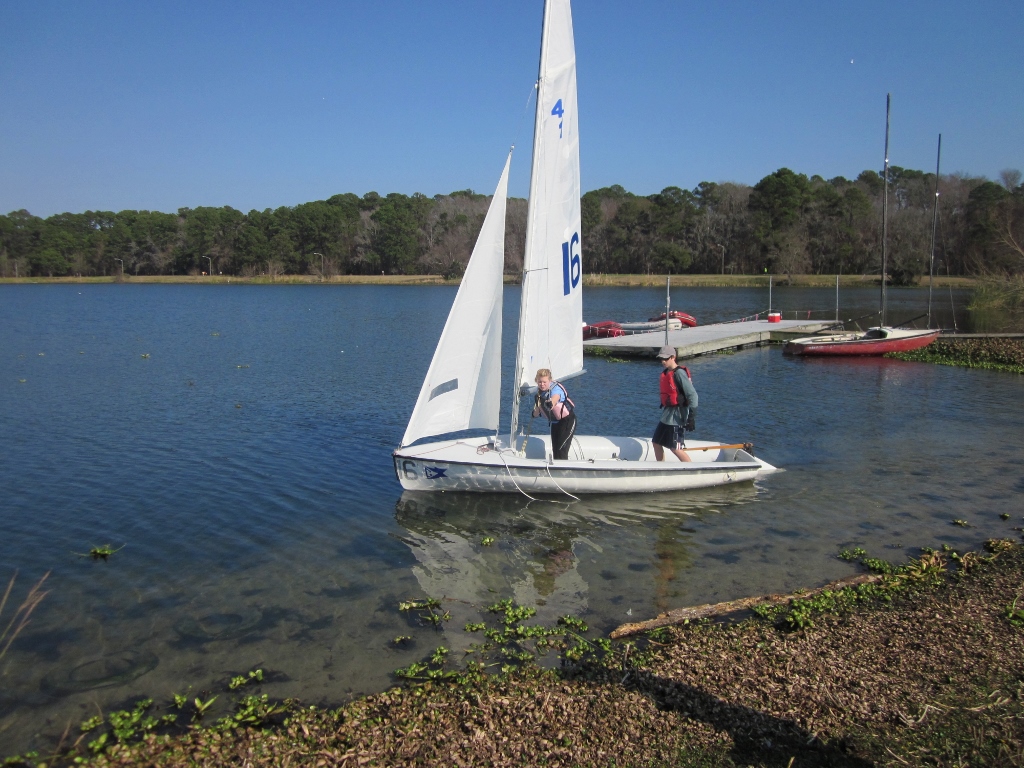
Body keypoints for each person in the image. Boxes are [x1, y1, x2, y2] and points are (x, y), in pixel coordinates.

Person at [653, 345, 698, 463]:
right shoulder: (667, 372)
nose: (663, 361)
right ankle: (660, 468)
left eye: (665, 359)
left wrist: (691, 417)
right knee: (656, 442)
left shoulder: (679, 374)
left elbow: (693, 396)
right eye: (661, 359)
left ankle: (691, 470)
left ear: (673, 357)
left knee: (675, 448)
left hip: (678, 417)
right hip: (667, 416)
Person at [532, 368, 576, 461]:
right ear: (537, 381)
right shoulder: (539, 394)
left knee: (561, 451)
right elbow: (537, 412)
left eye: (544, 382)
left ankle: (563, 471)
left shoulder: (556, 389)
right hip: (555, 423)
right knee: (555, 450)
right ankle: (556, 470)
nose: (542, 384)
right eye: (540, 382)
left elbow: (555, 398)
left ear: (550, 380)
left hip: (567, 422)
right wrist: (534, 413)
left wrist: (551, 403)